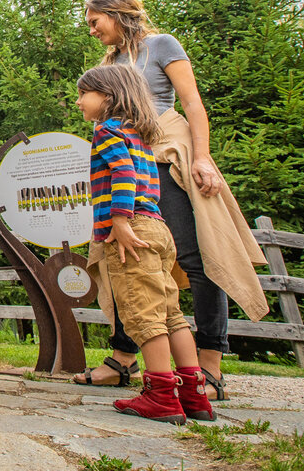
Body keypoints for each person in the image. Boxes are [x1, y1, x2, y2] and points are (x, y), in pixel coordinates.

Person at [76, 0, 268, 399]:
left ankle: (209, 367)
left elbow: (192, 102)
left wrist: (202, 157)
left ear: (116, 13)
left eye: (95, 21)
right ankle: (124, 358)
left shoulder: (162, 45)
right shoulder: (108, 65)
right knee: (122, 256)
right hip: (131, 155)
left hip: (166, 156)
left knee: (197, 256)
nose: (91, 30)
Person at [77, 64, 215, 424]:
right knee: (171, 314)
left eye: (84, 94)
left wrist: (120, 220)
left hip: (131, 230)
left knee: (144, 314)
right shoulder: (140, 135)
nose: (78, 101)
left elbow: (122, 173)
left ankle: (161, 396)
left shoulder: (106, 131)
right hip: (157, 227)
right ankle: (193, 393)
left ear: (108, 96)